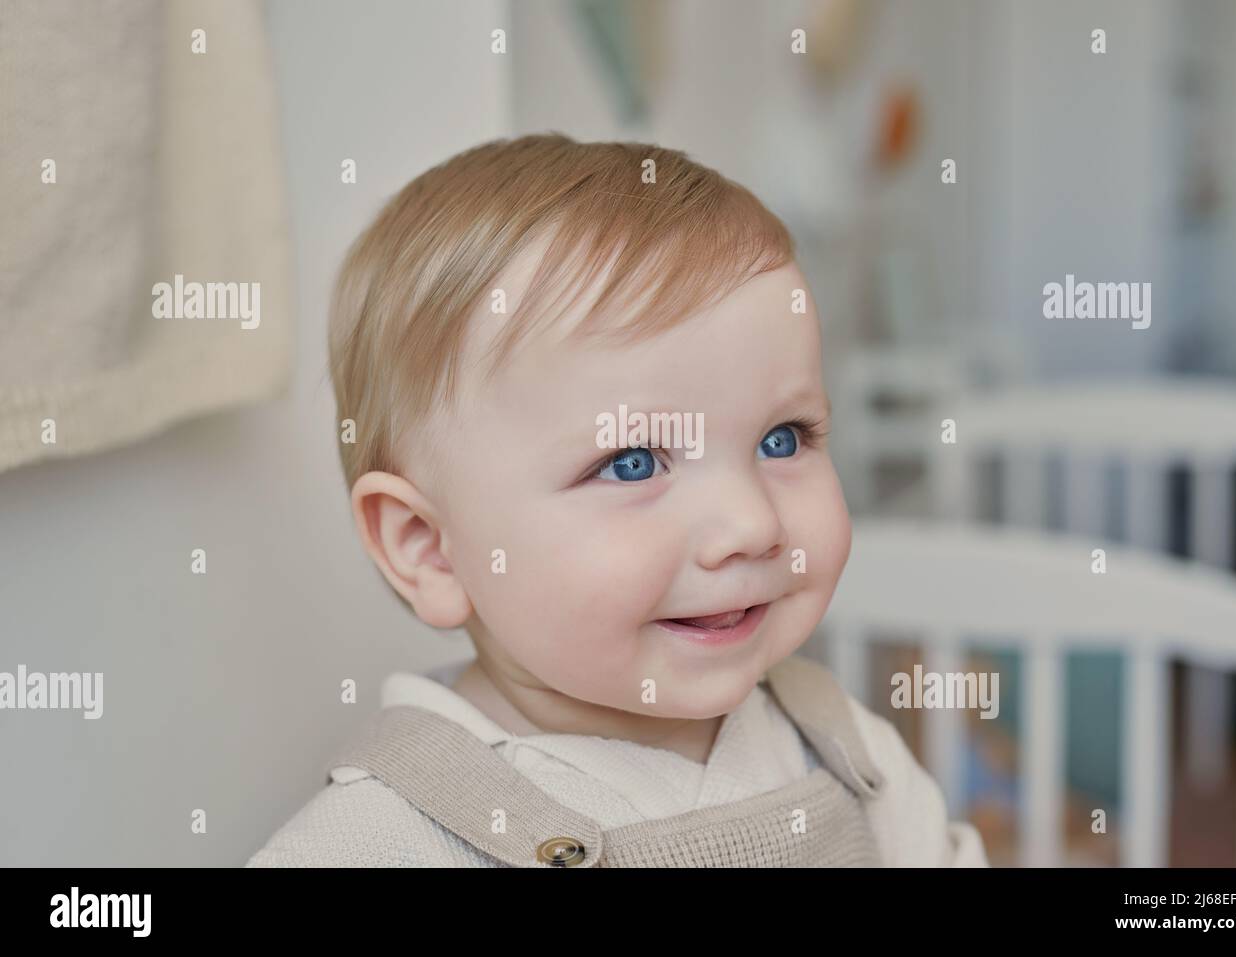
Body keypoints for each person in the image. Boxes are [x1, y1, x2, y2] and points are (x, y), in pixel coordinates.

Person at [248, 134, 987, 867]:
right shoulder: (380, 841)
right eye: (632, 463)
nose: (752, 524)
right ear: (427, 546)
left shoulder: (843, 750)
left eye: (782, 439)